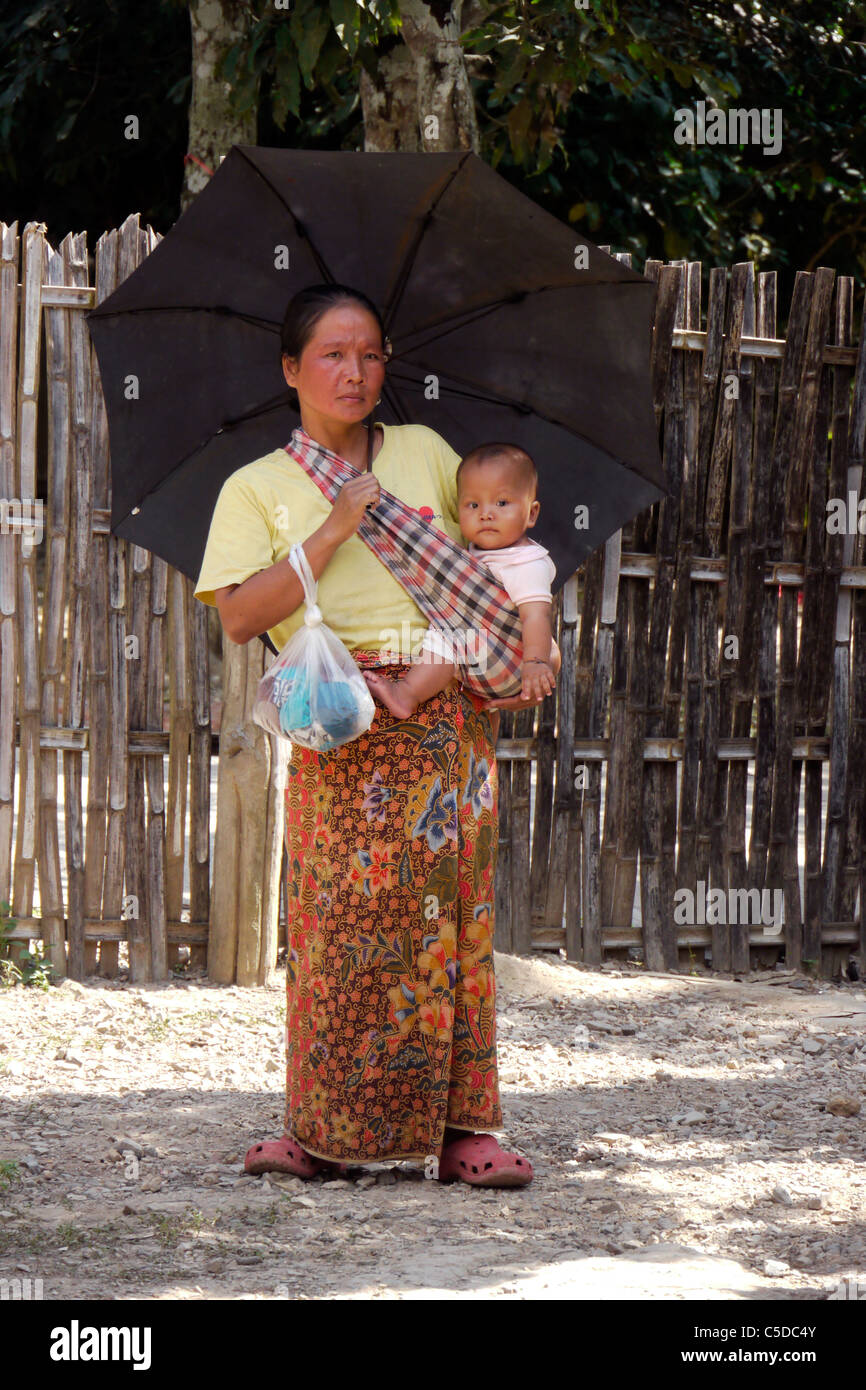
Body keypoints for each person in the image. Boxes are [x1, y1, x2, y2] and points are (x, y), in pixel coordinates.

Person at [194, 282, 557, 1187]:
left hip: (442, 719)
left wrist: (523, 644)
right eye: (331, 355)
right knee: (337, 932)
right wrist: (331, 531)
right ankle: (322, 1132)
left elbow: (491, 555)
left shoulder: (430, 453)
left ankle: (465, 1131)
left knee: (452, 924)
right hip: (338, 719)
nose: (355, 373)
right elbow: (240, 619)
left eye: (369, 354)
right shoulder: (258, 487)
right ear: (291, 370)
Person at [362, 442, 561, 721]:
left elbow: (535, 617)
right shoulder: (469, 555)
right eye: (473, 504)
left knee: (449, 636)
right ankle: (406, 695)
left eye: (502, 503)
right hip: (473, 666)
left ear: (531, 513)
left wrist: (537, 662)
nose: (486, 513)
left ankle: (407, 691)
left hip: (512, 662)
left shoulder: (526, 563)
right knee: (447, 631)